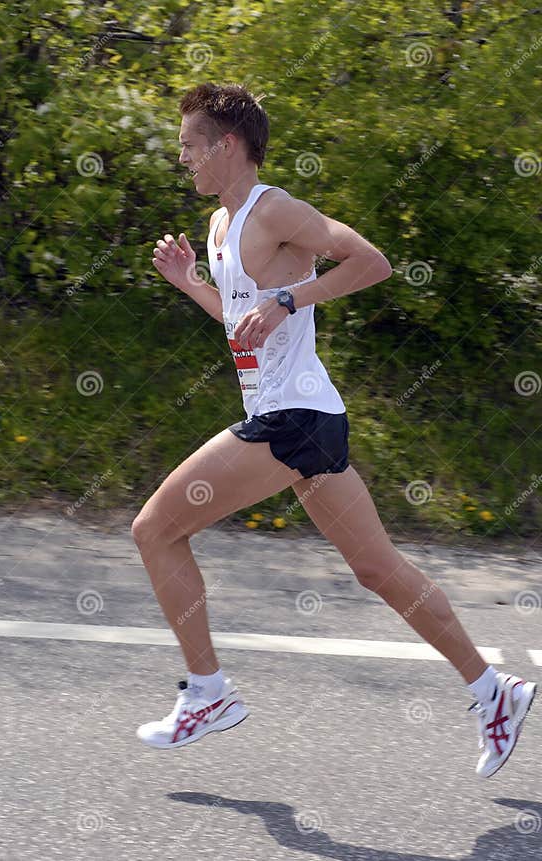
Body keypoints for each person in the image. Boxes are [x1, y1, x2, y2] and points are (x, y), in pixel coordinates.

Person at [132, 82, 536, 777]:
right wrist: (191, 282)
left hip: (293, 417)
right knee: (378, 569)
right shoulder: (222, 227)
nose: (184, 159)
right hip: (305, 418)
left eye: (191, 145)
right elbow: (243, 330)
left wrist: (292, 297)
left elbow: (370, 262)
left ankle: (208, 692)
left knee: (153, 530)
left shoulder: (275, 209)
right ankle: (492, 689)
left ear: (227, 145)